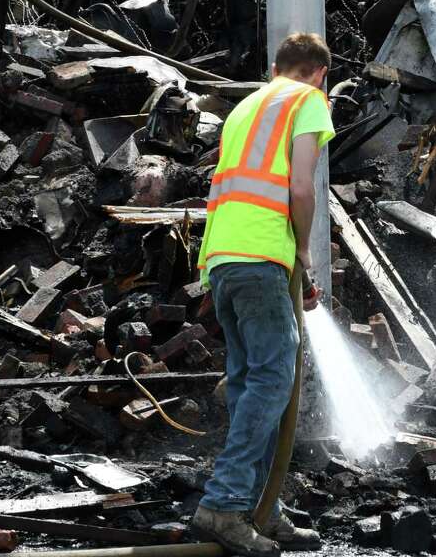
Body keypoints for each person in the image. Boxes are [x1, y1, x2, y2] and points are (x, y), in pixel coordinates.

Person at [191, 32, 335, 557]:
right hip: (262, 255)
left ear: (276, 67)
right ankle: (224, 505)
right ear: (319, 73)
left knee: (253, 382)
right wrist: (303, 253)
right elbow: (300, 188)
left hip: (224, 258)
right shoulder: (309, 100)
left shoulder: (247, 107)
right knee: (275, 378)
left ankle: (262, 505)